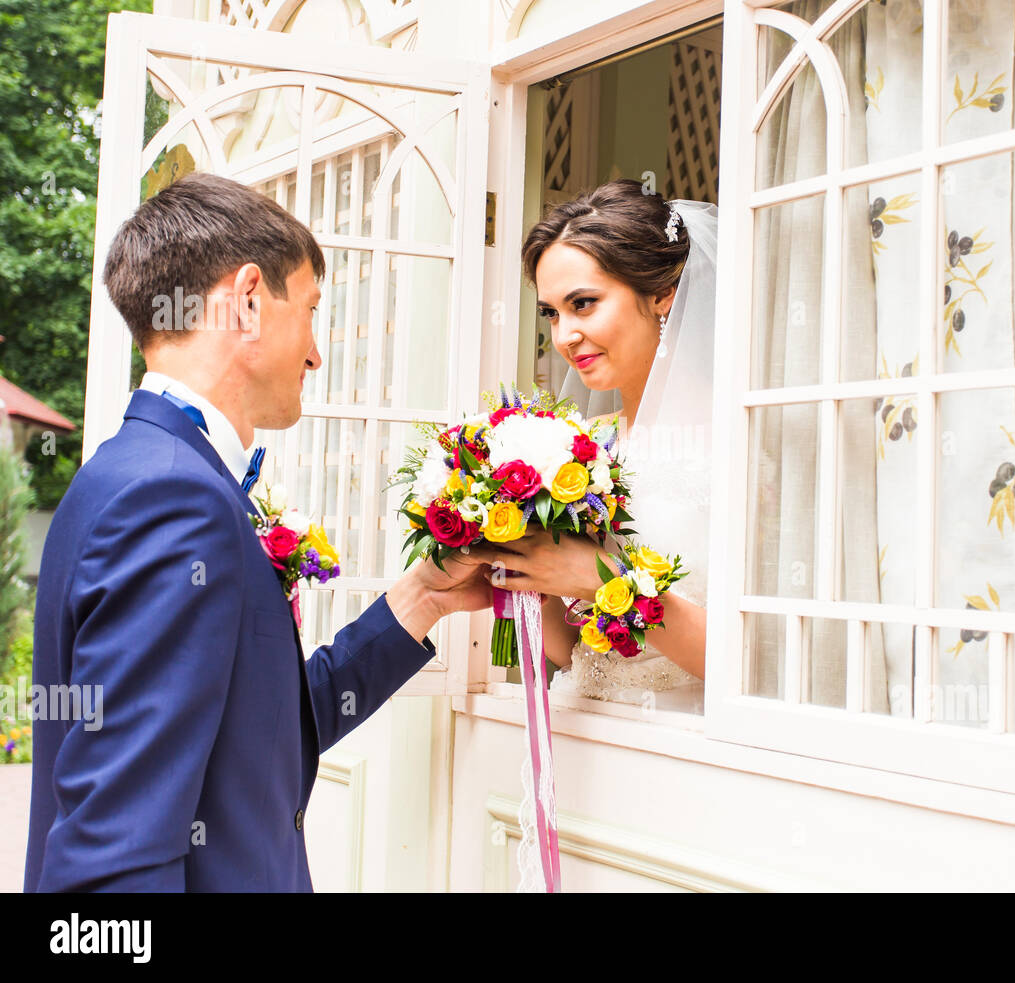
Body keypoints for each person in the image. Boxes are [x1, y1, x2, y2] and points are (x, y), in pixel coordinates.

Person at [24, 172, 491, 892]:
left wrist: (423, 597)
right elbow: (113, 857)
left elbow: (259, 732)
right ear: (246, 301)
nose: (315, 352)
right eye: (309, 309)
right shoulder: (172, 499)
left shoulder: (133, 473)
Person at [487, 180, 717, 712]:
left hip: (684, 744)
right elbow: (574, 653)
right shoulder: (582, 448)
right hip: (580, 727)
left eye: (583, 304)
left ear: (663, 294)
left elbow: (756, 663)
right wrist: (519, 566)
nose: (564, 335)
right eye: (551, 313)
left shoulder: (744, 447)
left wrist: (598, 576)